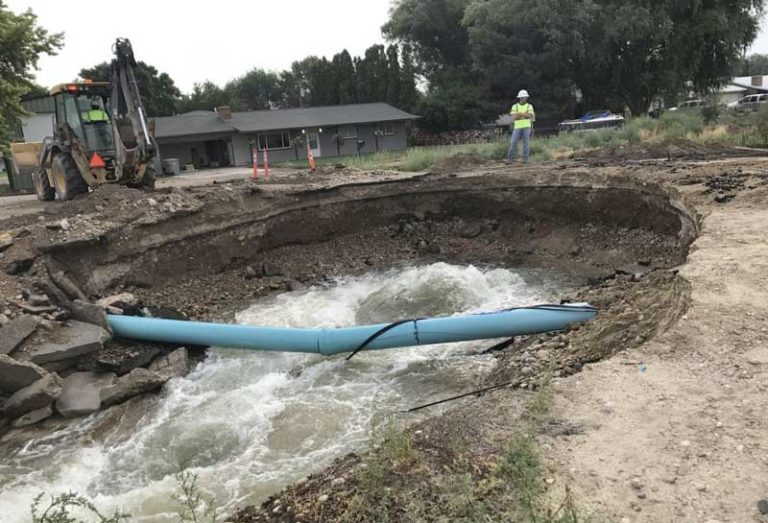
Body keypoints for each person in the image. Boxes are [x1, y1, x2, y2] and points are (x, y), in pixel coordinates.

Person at [507, 89, 535, 163]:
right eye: (523, 97)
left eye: (525, 97)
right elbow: (514, 117)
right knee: (513, 142)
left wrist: (519, 114)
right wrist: (524, 114)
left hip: (527, 127)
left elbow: (530, 115)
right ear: (520, 98)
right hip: (517, 127)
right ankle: (510, 159)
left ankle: (525, 159)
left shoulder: (529, 106)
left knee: (526, 143)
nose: (524, 98)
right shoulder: (515, 106)